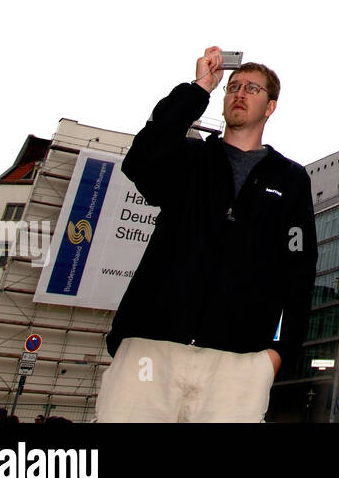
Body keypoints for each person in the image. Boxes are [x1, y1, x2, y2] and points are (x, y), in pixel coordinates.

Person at [98, 46, 317, 422]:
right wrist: (199, 87)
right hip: (150, 346)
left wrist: (277, 353)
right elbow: (140, 159)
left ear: (270, 106)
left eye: (252, 88)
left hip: (239, 363)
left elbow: (298, 271)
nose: (239, 94)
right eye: (233, 87)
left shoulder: (291, 179)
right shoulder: (188, 158)